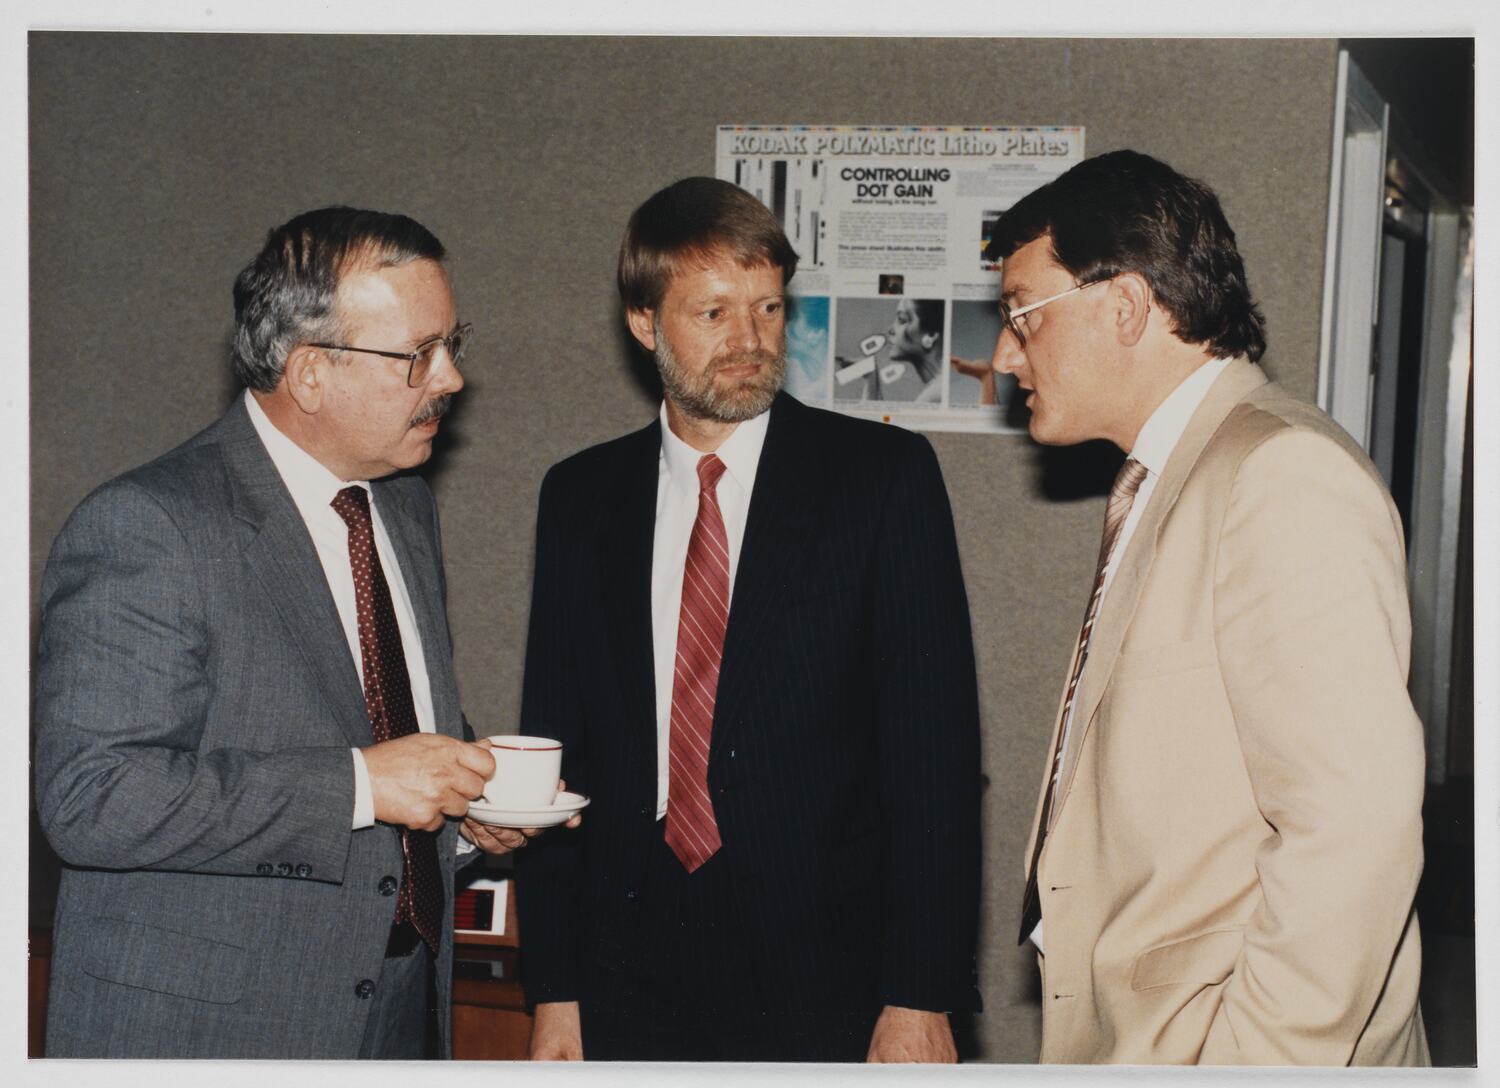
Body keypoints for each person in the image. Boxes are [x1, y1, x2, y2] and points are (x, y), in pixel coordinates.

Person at [33, 207, 541, 1059]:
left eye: (455, 343)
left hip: (404, 1012)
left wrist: (461, 812)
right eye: (419, 353)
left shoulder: (405, 507)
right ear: (310, 373)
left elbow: (372, 721)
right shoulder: (149, 525)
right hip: (216, 1032)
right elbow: (92, 799)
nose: (450, 377)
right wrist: (359, 787)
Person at [515, 177, 981, 1063]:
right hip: (626, 963)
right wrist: (555, 988)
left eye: (768, 309)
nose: (749, 342)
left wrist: (919, 994)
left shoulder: (881, 480)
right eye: (714, 313)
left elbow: (935, 760)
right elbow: (555, 747)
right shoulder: (580, 497)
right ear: (644, 322)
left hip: (826, 970)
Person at [986, 151, 1428, 1065]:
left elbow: (1353, 831)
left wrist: (1252, 1063)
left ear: (1127, 306)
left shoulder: (1281, 474)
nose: (1002, 355)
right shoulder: (1177, 468)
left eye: (1022, 315)